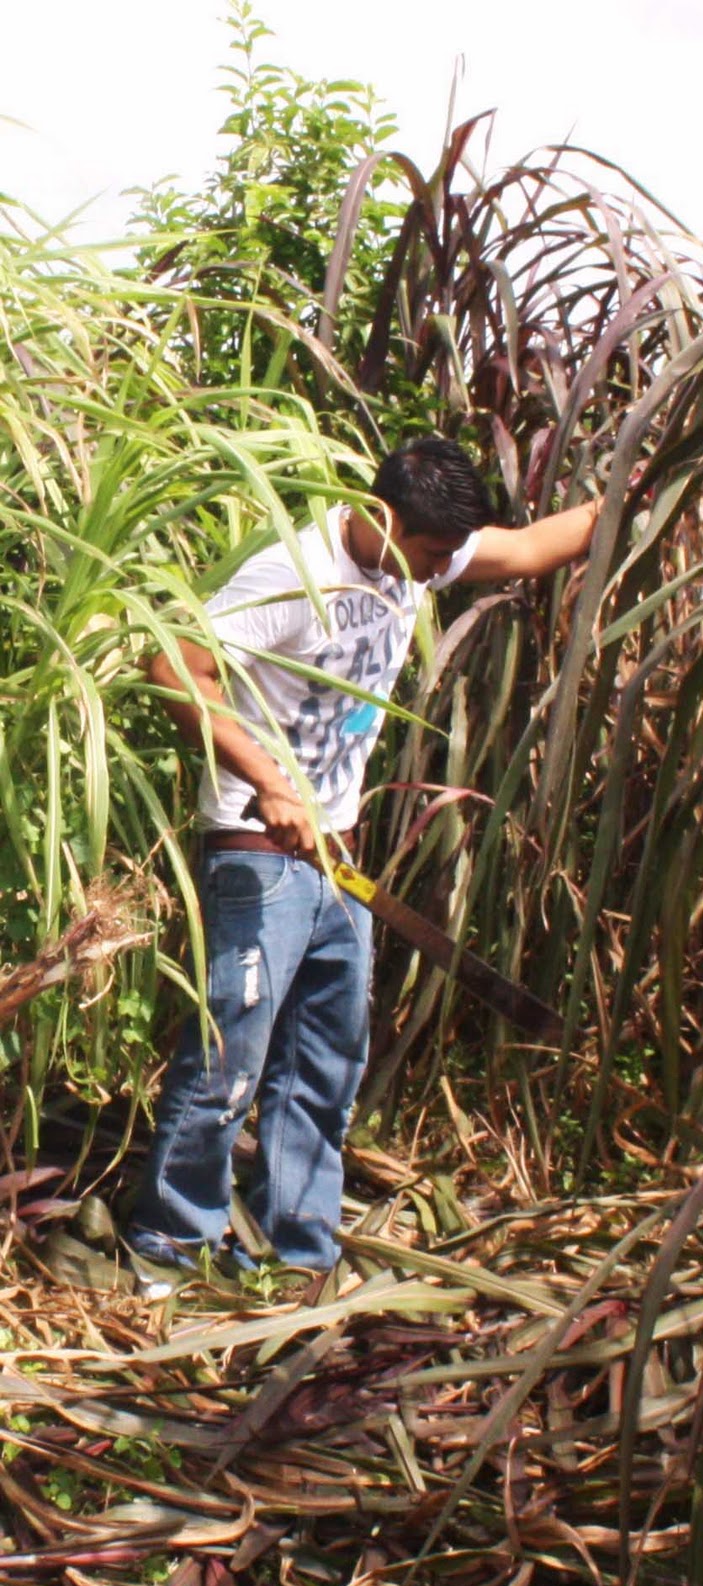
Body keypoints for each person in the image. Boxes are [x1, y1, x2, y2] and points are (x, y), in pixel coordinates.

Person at [127, 437, 599, 1280]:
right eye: (430, 553)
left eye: (450, 555)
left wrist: (638, 487)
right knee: (228, 1058)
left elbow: (531, 548)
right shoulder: (290, 572)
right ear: (384, 517)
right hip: (256, 852)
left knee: (324, 1062)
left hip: (338, 865)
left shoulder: (416, 556)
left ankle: (297, 1250)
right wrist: (270, 783)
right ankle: (172, 1241)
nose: (438, 572)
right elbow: (172, 667)